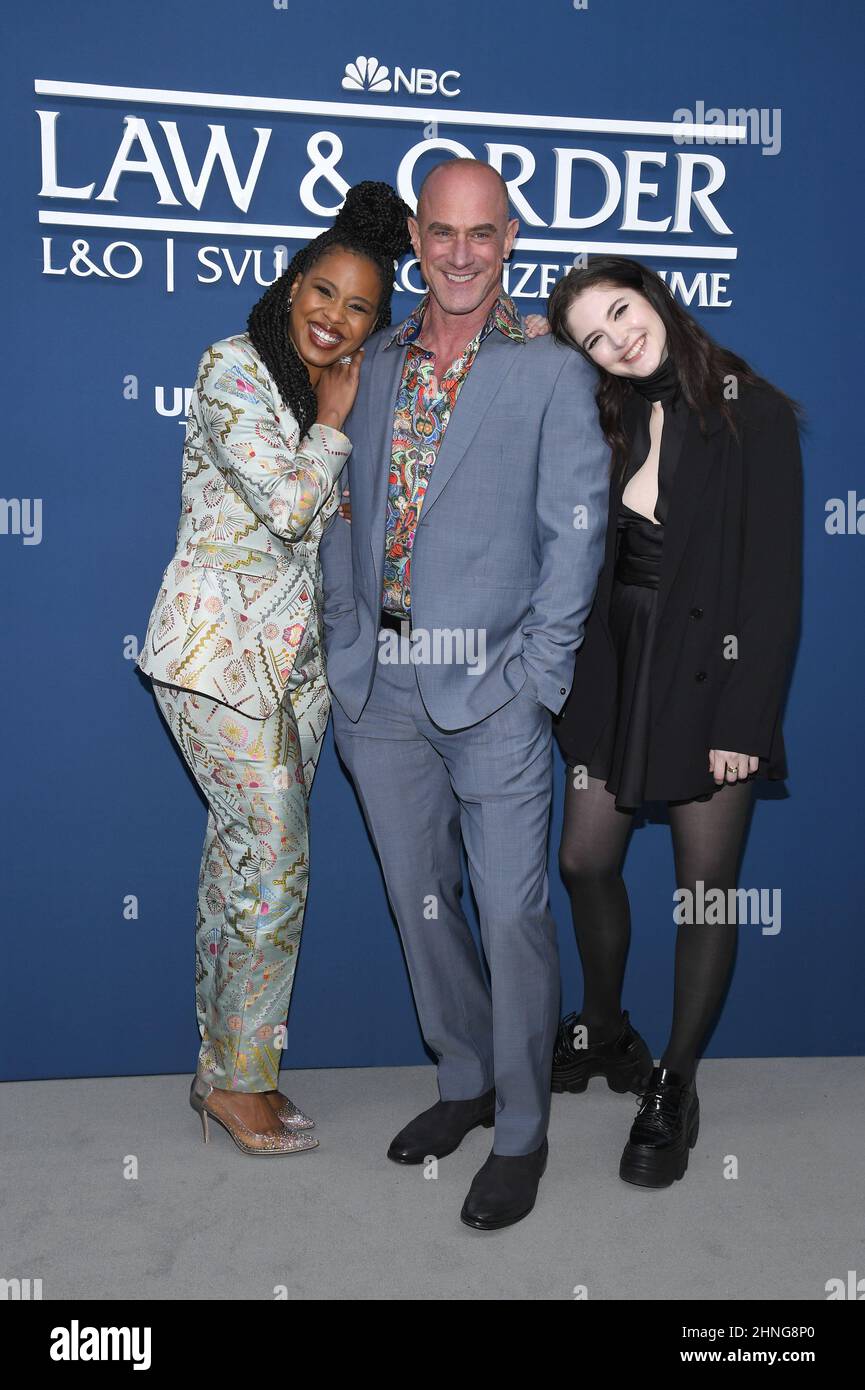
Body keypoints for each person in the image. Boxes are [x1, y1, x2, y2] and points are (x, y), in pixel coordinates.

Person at [319, 158, 610, 1229]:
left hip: (494, 694)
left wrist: (535, 681)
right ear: (414, 233)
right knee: (420, 904)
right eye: (439, 232)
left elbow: (573, 539)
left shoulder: (549, 372)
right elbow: (335, 502)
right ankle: (463, 1082)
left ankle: (523, 1130)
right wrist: (346, 645)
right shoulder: (373, 354)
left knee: (515, 913)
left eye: (480, 233)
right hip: (378, 689)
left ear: (510, 239)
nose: (457, 253)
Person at [136, 182, 412, 1155]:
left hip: (297, 673)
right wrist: (336, 418)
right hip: (214, 659)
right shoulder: (233, 370)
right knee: (279, 860)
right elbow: (292, 505)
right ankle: (243, 1080)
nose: (335, 317)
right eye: (324, 292)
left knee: (240, 863)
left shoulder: (333, 386)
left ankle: (222, 1070)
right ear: (293, 283)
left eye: (360, 307)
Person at [544, 256, 803, 1187]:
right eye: (592, 337)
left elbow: (774, 583)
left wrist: (745, 717)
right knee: (583, 859)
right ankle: (605, 1027)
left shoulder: (750, 409)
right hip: (614, 671)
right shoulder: (602, 414)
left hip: (710, 678)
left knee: (702, 889)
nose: (618, 337)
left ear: (654, 293)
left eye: (621, 309)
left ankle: (673, 1086)